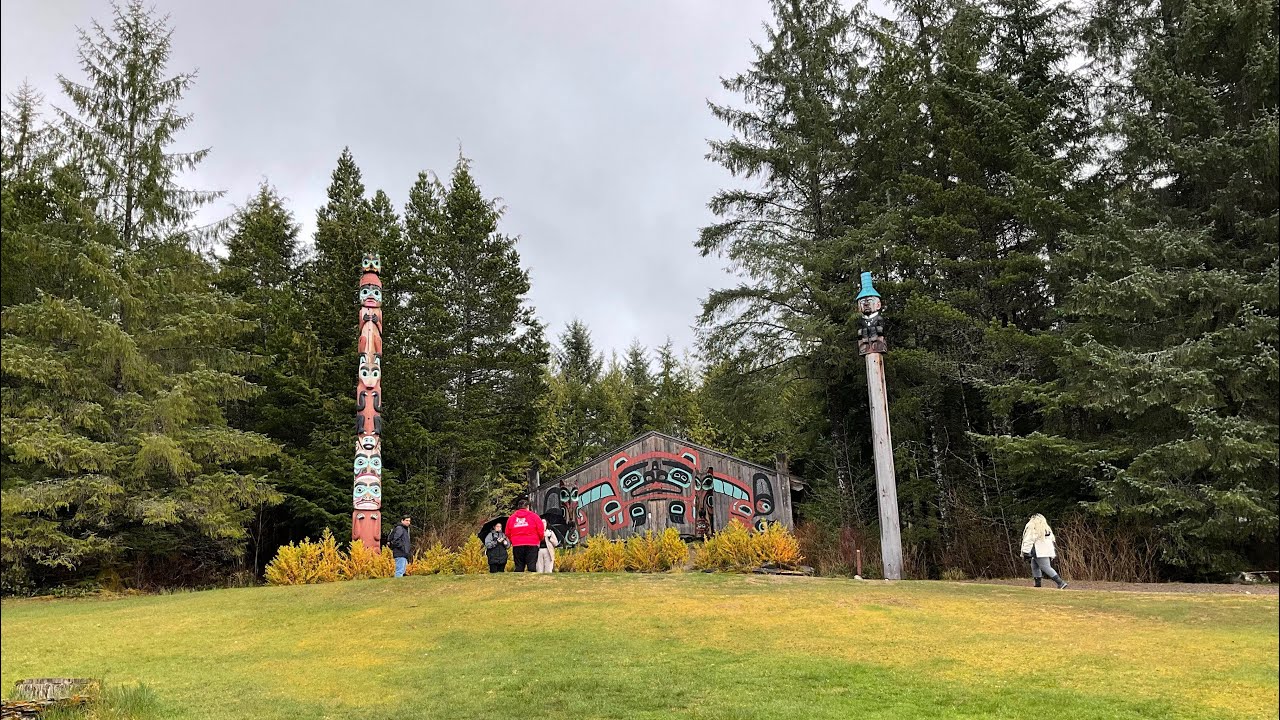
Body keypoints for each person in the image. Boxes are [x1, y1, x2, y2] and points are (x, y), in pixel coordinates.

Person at [1021, 513, 1067, 589]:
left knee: (1045, 567)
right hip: (1045, 550)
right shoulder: (1046, 528)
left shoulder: (1032, 527)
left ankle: (1060, 582)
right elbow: (1052, 539)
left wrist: (1026, 551)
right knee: (1034, 566)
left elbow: (1029, 539)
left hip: (1038, 550)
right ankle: (1037, 584)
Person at [505, 498, 545, 573]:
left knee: (519, 566)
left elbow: (507, 532)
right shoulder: (534, 517)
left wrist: (513, 540)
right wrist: (540, 539)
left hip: (517, 544)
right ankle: (532, 581)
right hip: (532, 543)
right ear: (527, 507)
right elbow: (540, 530)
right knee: (531, 565)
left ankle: (519, 582)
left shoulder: (512, 518)